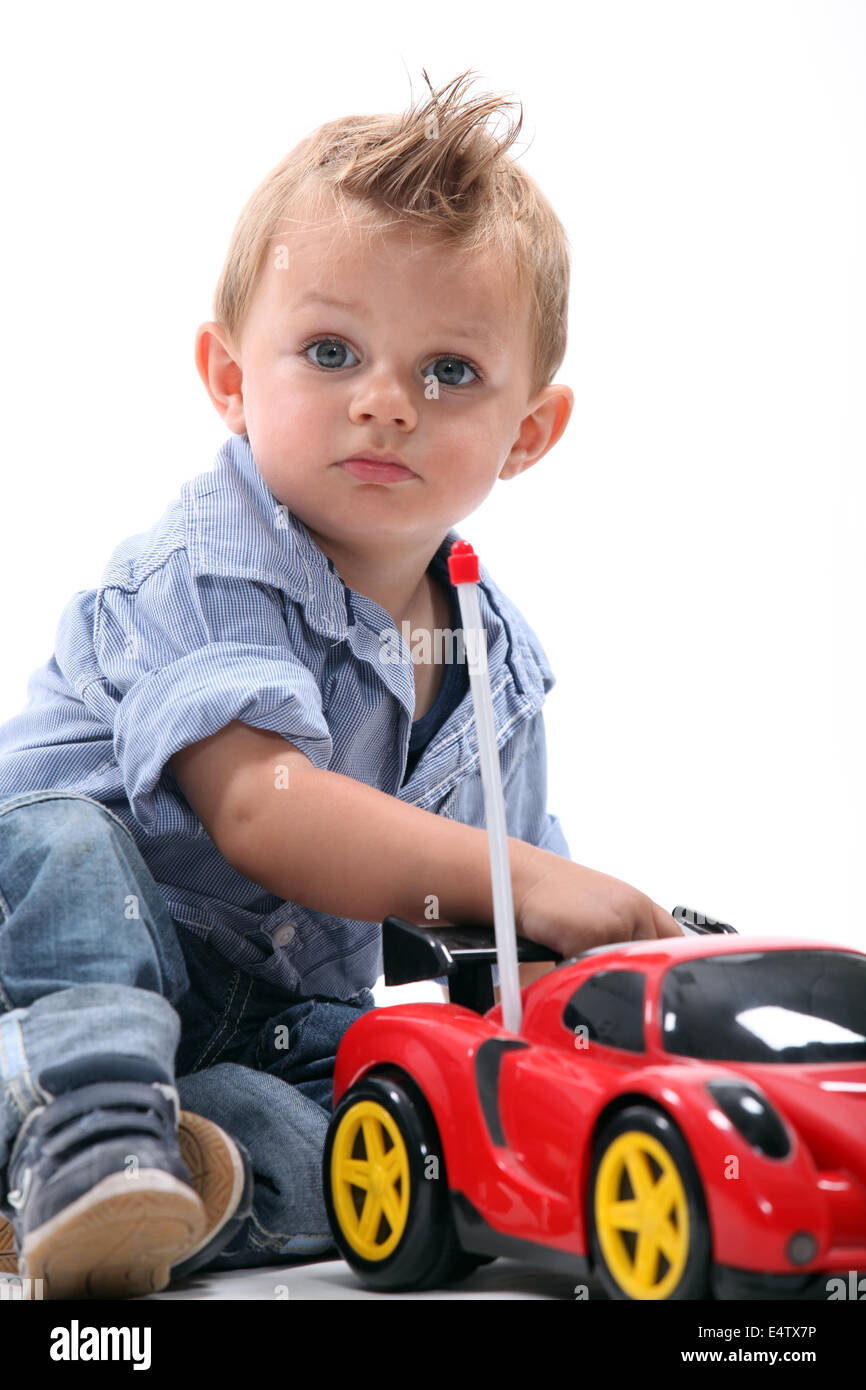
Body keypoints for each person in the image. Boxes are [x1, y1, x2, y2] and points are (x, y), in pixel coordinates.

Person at [0, 69, 682, 1299]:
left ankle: (158, 1186)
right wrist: (522, 878)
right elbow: (264, 805)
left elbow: (513, 919)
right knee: (66, 853)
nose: (383, 402)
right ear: (227, 377)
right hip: (51, 953)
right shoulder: (204, 564)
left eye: (448, 373)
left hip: (250, 1012)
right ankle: (79, 1115)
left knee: (389, 1140)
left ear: (527, 431)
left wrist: (610, 972)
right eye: (330, 351)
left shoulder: (491, 660)